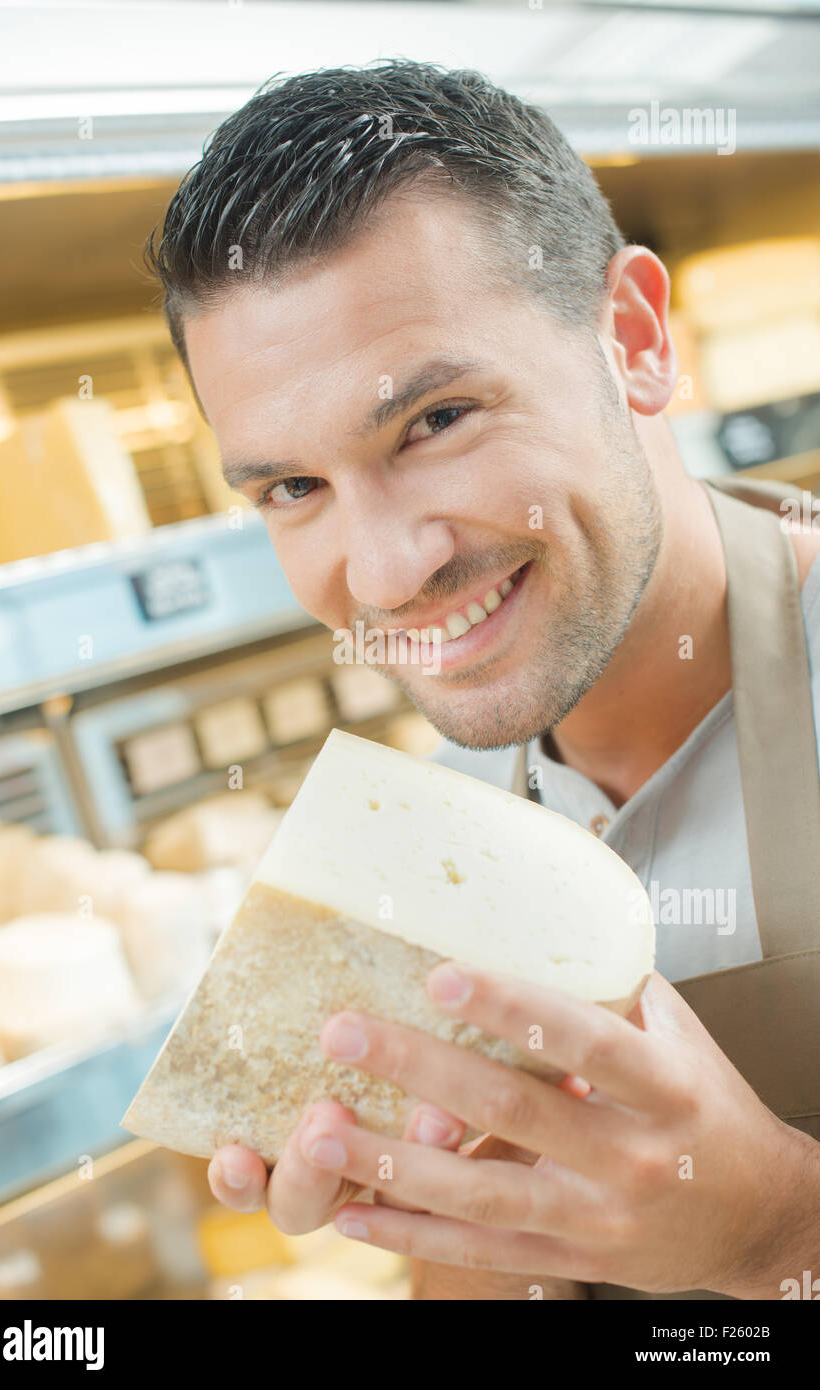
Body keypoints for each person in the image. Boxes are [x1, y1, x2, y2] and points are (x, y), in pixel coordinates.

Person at [144, 60, 820, 1299]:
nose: (389, 572)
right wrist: (449, 1220)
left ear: (633, 340)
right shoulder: (445, 828)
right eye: (294, 488)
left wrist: (776, 1234)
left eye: (436, 420)